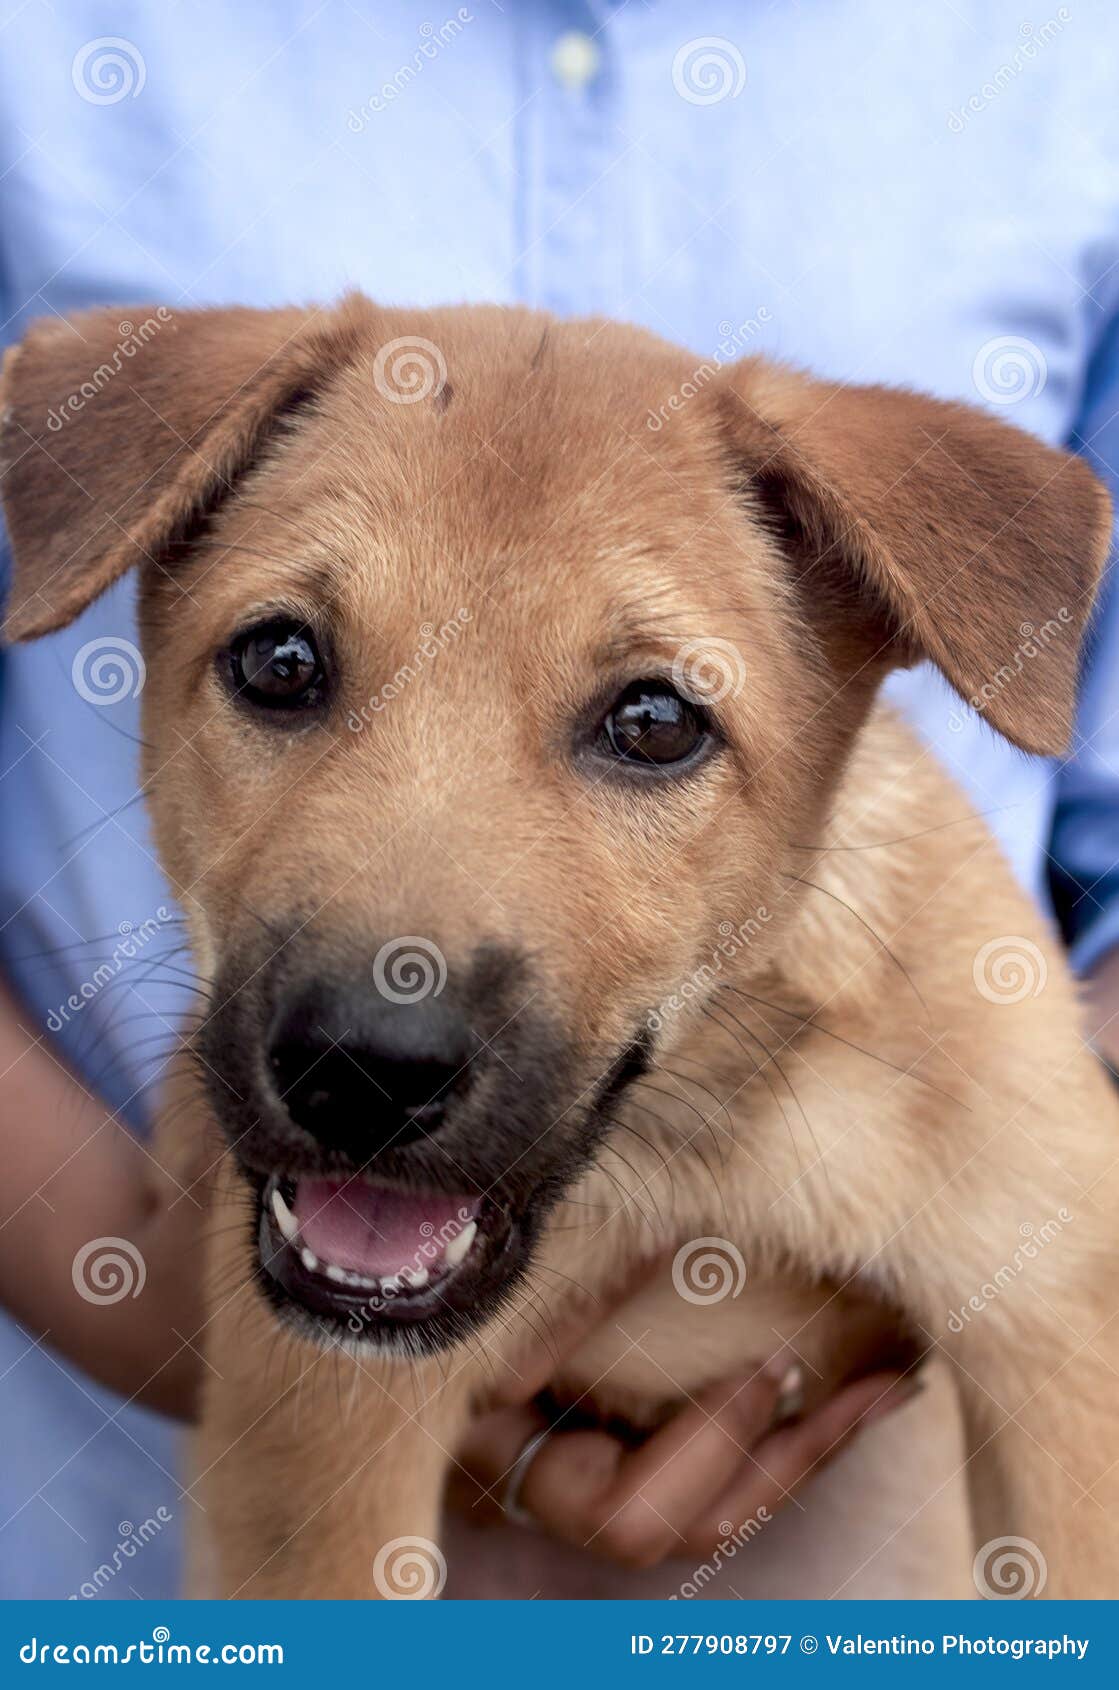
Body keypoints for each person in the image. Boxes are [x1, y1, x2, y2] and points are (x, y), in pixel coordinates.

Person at [1, 0, 1116, 1599]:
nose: (392, 987)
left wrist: (1030, 1150)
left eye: (646, 723)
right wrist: (165, 1302)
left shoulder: (1072, 53)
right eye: (287, 666)